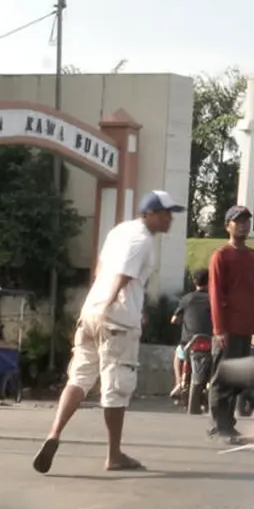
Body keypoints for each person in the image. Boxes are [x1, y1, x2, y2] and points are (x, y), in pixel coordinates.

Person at [33, 191, 182, 474]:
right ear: (150, 213)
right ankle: (113, 455)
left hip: (90, 312)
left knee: (79, 377)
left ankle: (54, 432)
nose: (169, 218)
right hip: (116, 320)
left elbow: (101, 267)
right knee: (116, 387)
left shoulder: (120, 231)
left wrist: (99, 304)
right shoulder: (143, 240)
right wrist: (112, 305)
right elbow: (123, 275)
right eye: (165, 212)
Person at [209, 205, 254, 442]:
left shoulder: (253, 256)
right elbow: (214, 294)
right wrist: (219, 329)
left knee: (238, 379)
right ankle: (218, 426)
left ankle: (228, 424)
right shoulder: (221, 255)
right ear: (228, 226)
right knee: (222, 378)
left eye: (246, 221)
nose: (243, 225)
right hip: (228, 329)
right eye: (238, 221)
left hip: (247, 328)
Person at [171, 266, 212, 405]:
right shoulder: (214, 299)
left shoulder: (186, 299)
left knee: (177, 355)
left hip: (188, 343)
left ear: (194, 282)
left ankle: (178, 384)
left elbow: (174, 320)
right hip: (211, 342)